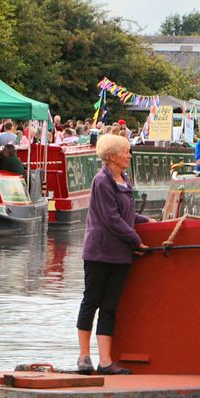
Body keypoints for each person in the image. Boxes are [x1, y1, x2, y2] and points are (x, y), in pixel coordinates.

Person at [76, 133, 150, 376]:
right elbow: (111, 218)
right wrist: (136, 240)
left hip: (119, 253)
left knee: (109, 306)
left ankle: (105, 361)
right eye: (126, 151)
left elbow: (126, 215)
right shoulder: (102, 181)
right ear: (112, 156)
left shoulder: (124, 180)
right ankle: (84, 356)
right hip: (99, 251)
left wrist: (147, 221)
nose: (129, 155)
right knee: (91, 301)